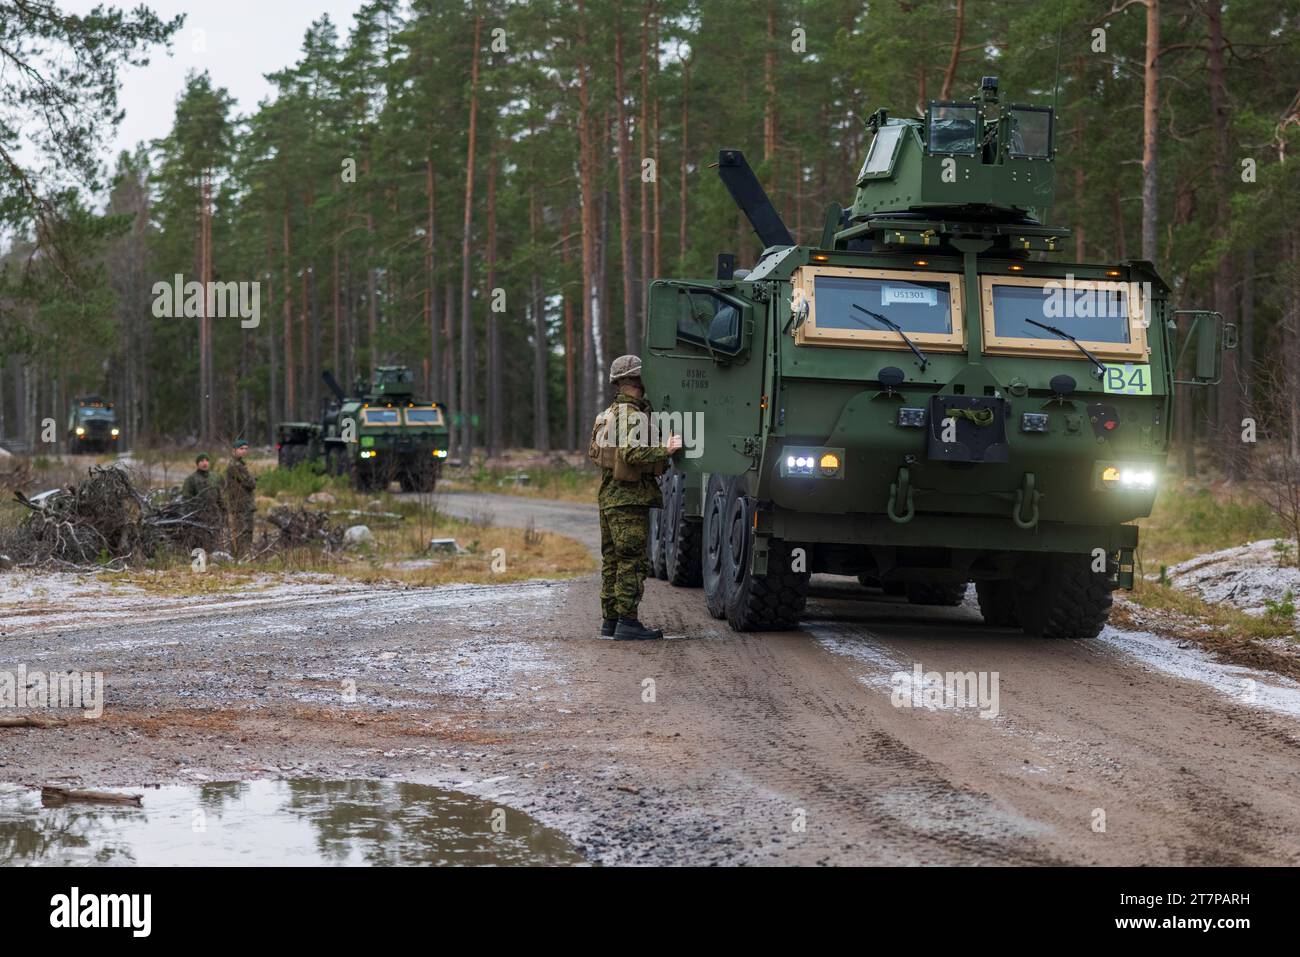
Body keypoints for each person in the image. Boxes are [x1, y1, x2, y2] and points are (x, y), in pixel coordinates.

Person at [590, 355, 683, 640]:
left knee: (613, 561)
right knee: (631, 561)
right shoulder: (633, 416)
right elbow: (630, 453)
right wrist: (665, 451)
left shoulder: (607, 414)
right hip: (629, 499)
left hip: (609, 497)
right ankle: (628, 623)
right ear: (636, 380)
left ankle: (611, 621)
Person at [224, 439, 257, 556]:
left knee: (247, 531)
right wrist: (253, 480)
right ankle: (240, 556)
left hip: (245, 504)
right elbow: (250, 483)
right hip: (240, 505)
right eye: (241, 449)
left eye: (246, 449)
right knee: (242, 532)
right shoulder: (235, 465)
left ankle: (244, 555)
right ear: (234, 450)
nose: (244, 451)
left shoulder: (240, 464)